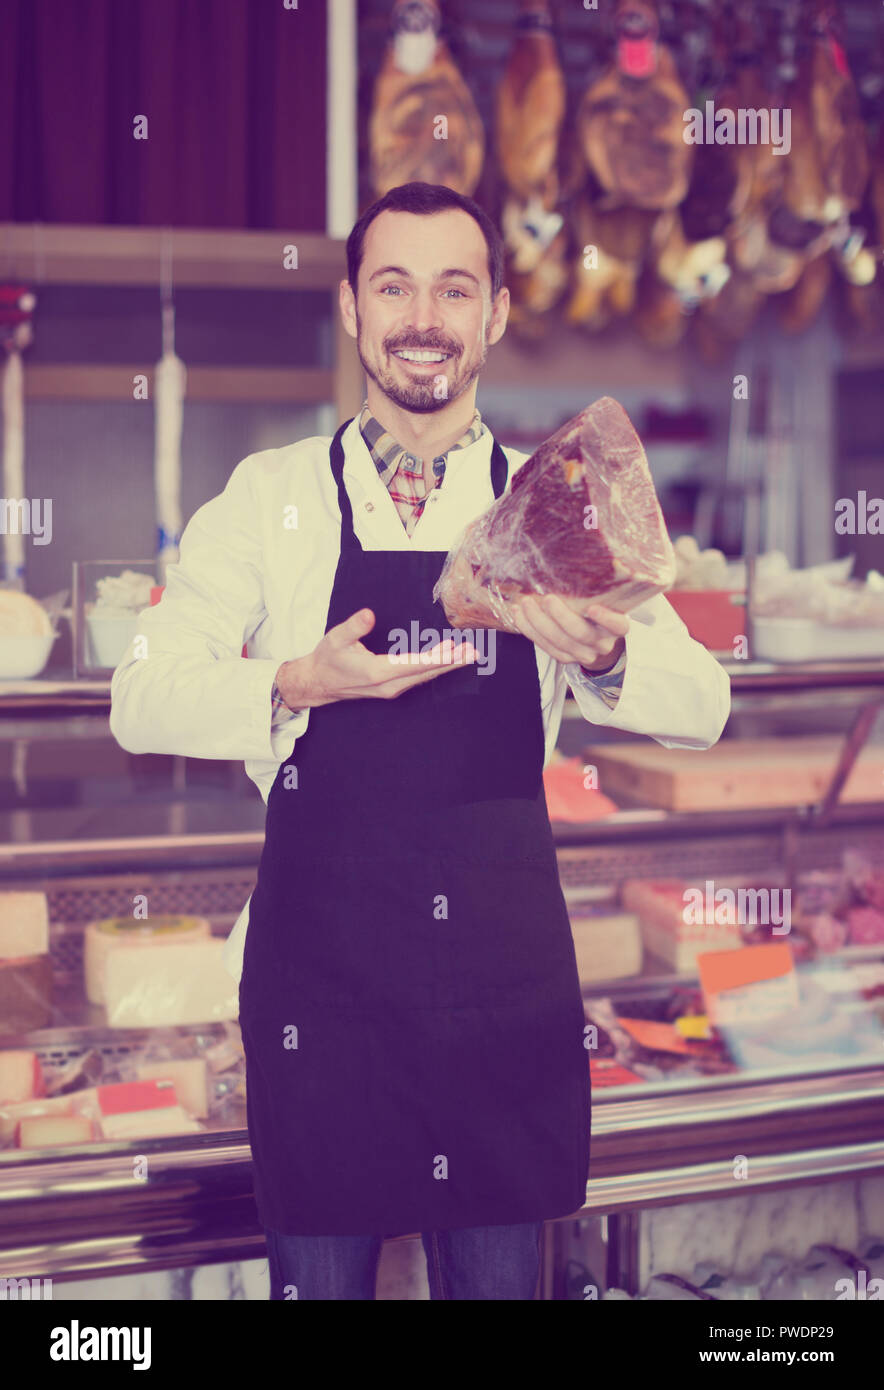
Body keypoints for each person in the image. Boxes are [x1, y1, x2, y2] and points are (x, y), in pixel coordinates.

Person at [111, 181, 730, 1301]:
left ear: (493, 312)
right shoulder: (270, 498)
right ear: (350, 308)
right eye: (392, 285)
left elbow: (703, 703)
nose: (423, 316)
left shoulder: (552, 507)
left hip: (501, 991)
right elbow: (141, 695)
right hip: (320, 995)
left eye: (455, 287)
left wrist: (595, 653)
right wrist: (298, 679)